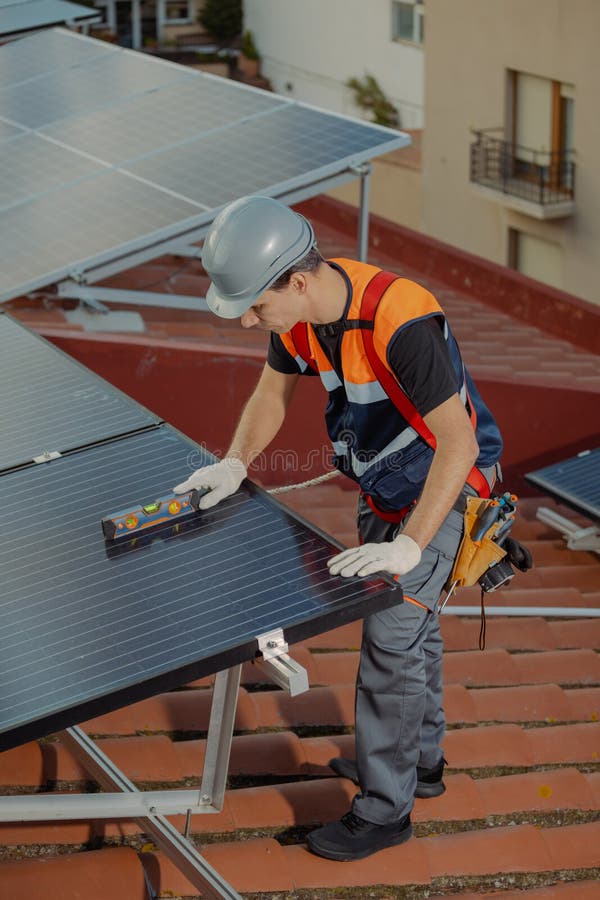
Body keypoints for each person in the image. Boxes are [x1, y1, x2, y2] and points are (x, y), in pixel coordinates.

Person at [174, 195, 503, 862]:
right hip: (385, 490)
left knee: (391, 636)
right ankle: (423, 766)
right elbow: (271, 394)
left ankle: (386, 811)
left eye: (255, 305)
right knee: (417, 634)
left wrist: (412, 543)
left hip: (449, 494)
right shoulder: (297, 317)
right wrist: (235, 463)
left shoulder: (398, 318)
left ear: (298, 279)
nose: (247, 319)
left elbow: (457, 445)